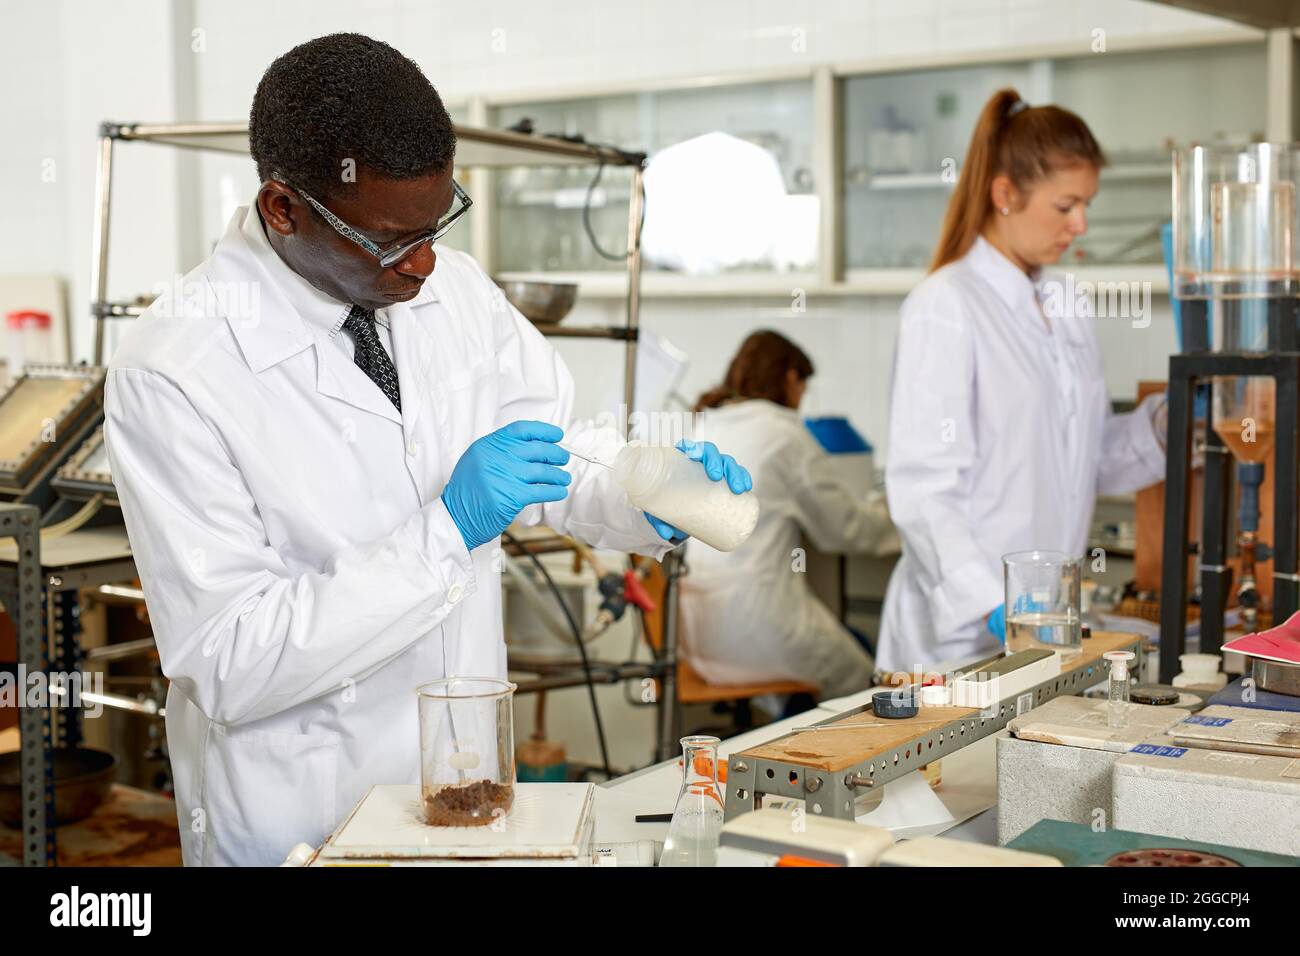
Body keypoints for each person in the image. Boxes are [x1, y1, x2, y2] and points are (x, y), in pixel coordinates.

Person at [103, 34, 750, 866]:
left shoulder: (456, 291)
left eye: (438, 221)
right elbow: (229, 657)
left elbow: (557, 453)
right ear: (282, 208)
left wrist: (653, 491)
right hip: (303, 816)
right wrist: (445, 532)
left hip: (467, 787)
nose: (424, 262)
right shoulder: (178, 368)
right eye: (387, 239)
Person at [877, 88, 1166, 673]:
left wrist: (1165, 424)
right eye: (1065, 206)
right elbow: (925, 491)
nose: (1080, 224)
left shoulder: (1066, 304)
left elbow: (1084, 458)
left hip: (1041, 632)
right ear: (1005, 194)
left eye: (1087, 204)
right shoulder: (947, 305)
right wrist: (996, 602)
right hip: (957, 643)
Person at [678, 331, 896, 702]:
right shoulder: (783, 433)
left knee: (831, 659)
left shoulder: (706, 425)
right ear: (792, 378)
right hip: (756, 626)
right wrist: (900, 515)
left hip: (695, 635)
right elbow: (844, 529)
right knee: (866, 686)